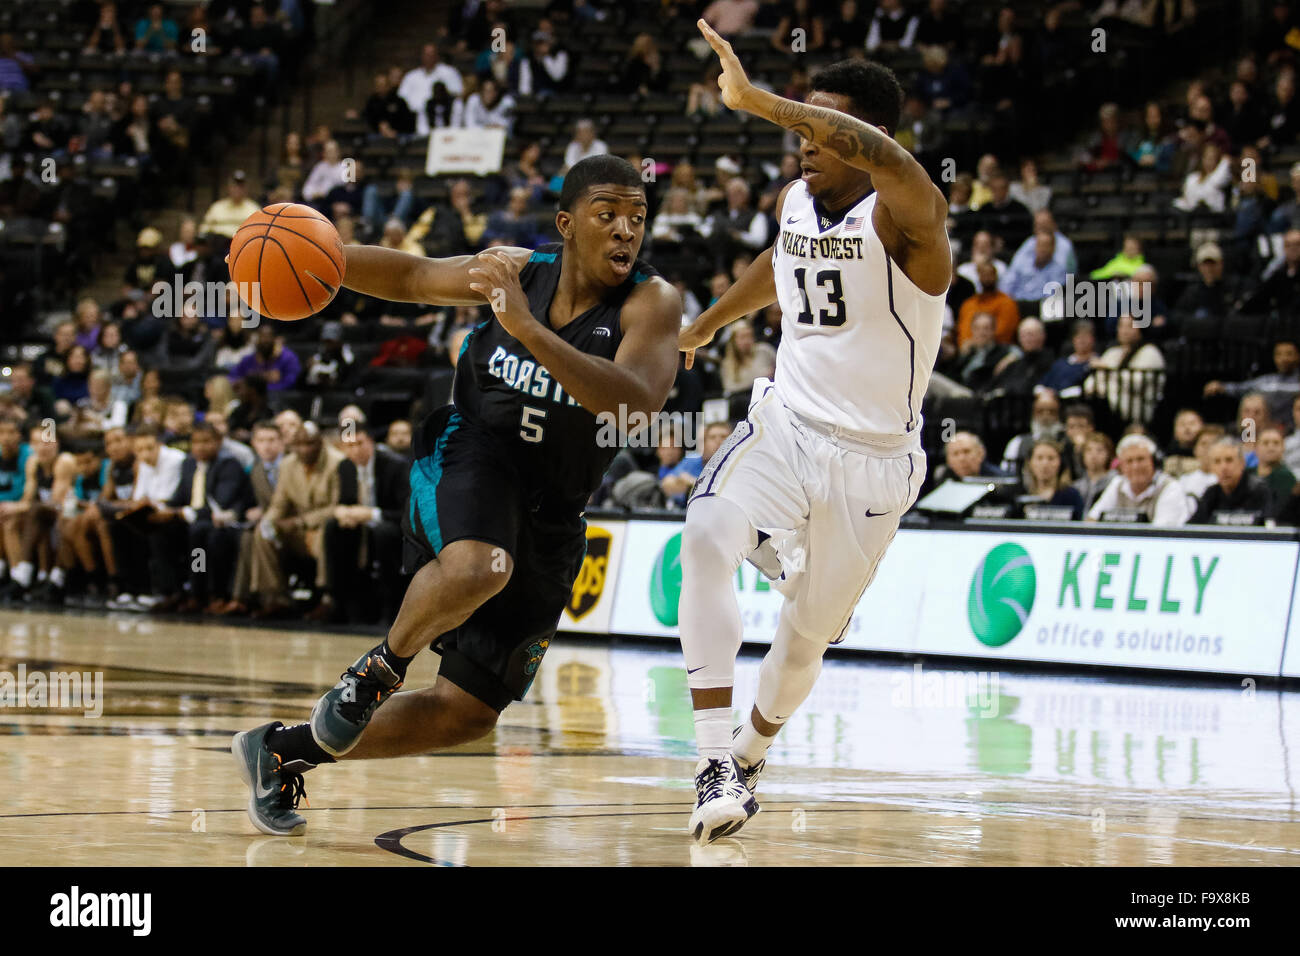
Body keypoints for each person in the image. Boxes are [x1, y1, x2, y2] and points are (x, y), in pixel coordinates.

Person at [231, 155, 681, 836]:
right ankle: (377, 669)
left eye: (637, 217)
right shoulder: (514, 268)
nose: (626, 231)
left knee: (465, 714)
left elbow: (634, 405)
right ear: (565, 224)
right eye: (608, 214)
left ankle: (278, 751)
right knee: (480, 566)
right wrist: (317, 254)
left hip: (553, 508)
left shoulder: (652, 303)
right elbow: (414, 277)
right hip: (473, 451)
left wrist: (526, 329)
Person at [676, 31, 948, 845]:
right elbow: (783, 259)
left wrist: (759, 98)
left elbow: (893, 167)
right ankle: (712, 758)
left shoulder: (914, 221)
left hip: (874, 463)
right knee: (702, 533)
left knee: (804, 638)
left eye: (821, 133)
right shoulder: (799, 200)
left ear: (870, 145)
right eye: (797, 131)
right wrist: (705, 326)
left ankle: (751, 758)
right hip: (785, 422)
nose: (804, 146)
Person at [1087, 434, 1190, 526]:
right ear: (1121, 467)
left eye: (1140, 459)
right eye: (1129, 461)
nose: (1135, 466)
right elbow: (1091, 520)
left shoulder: (1170, 487)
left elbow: (1161, 534)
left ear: (1153, 462)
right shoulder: (1118, 484)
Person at [1190, 437, 1273, 524]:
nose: (1223, 468)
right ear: (1211, 467)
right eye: (1217, 462)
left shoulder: (1259, 491)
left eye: (1229, 460)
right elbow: (1192, 529)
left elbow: (1270, 527)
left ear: (1242, 463)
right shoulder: (1211, 494)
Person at [1017, 439, 1084, 519]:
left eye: (1051, 458)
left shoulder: (1072, 495)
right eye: (1039, 458)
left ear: (1061, 463)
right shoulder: (1020, 494)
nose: (1045, 464)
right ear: (1030, 463)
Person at [1073, 431, 1116, 513]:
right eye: (1089, 450)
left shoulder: (1115, 482)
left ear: (1109, 454)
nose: (1093, 455)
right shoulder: (1076, 487)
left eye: (1099, 450)